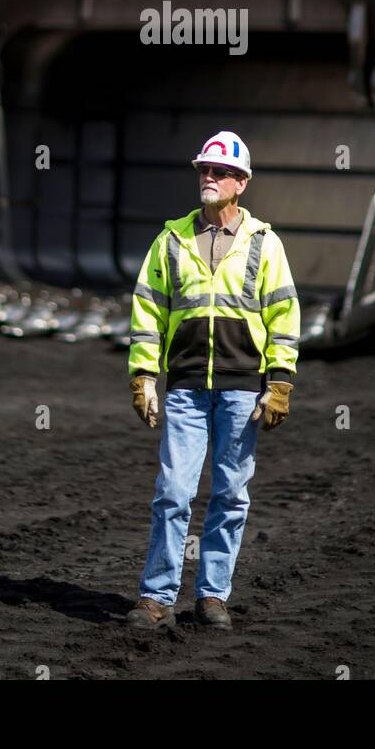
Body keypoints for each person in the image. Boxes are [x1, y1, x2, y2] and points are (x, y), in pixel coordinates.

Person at [126, 131, 300, 629]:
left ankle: (212, 597)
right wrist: (143, 374)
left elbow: (284, 315)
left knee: (230, 494)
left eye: (219, 171)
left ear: (241, 183)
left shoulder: (265, 243)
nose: (208, 177)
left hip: (242, 390)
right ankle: (157, 598)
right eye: (203, 169)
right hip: (184, 389)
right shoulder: (171, 239)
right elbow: (147, 311)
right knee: (173, 492)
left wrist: (280, 381)